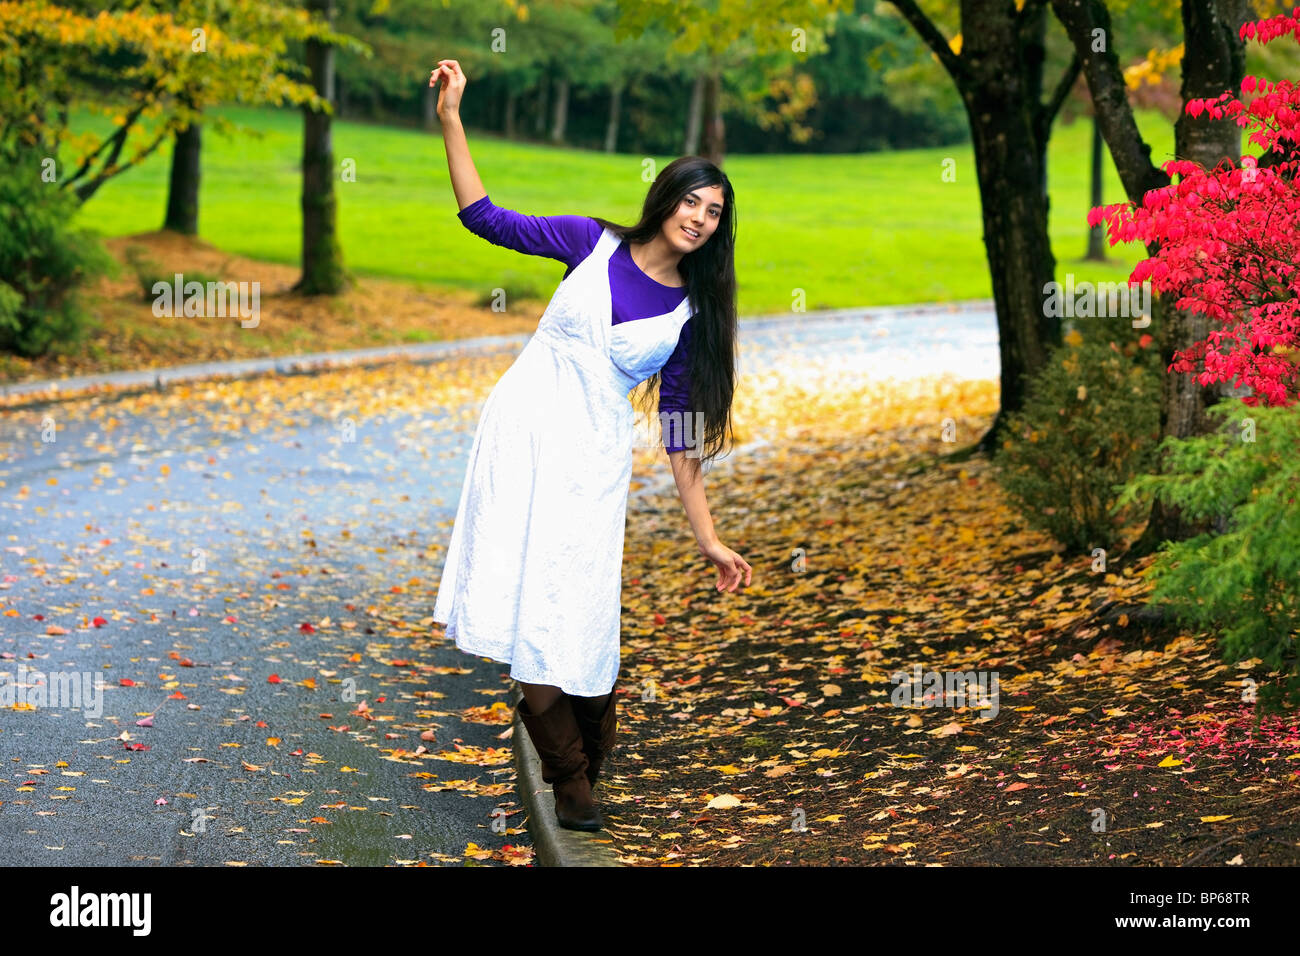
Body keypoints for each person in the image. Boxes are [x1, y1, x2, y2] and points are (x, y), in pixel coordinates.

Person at [428, 59, 752, 832]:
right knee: (523, 610)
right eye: (691, 201)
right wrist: (451, 119)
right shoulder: (589, 243)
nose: (699, 218)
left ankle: (589, 756)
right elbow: (485, 216)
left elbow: (679, 433)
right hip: (518, 440)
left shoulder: (688, 317)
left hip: (591, 466)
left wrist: (706, 536)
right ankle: (570, 780)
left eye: (713, 212)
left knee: (576, 617)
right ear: (666, 198)